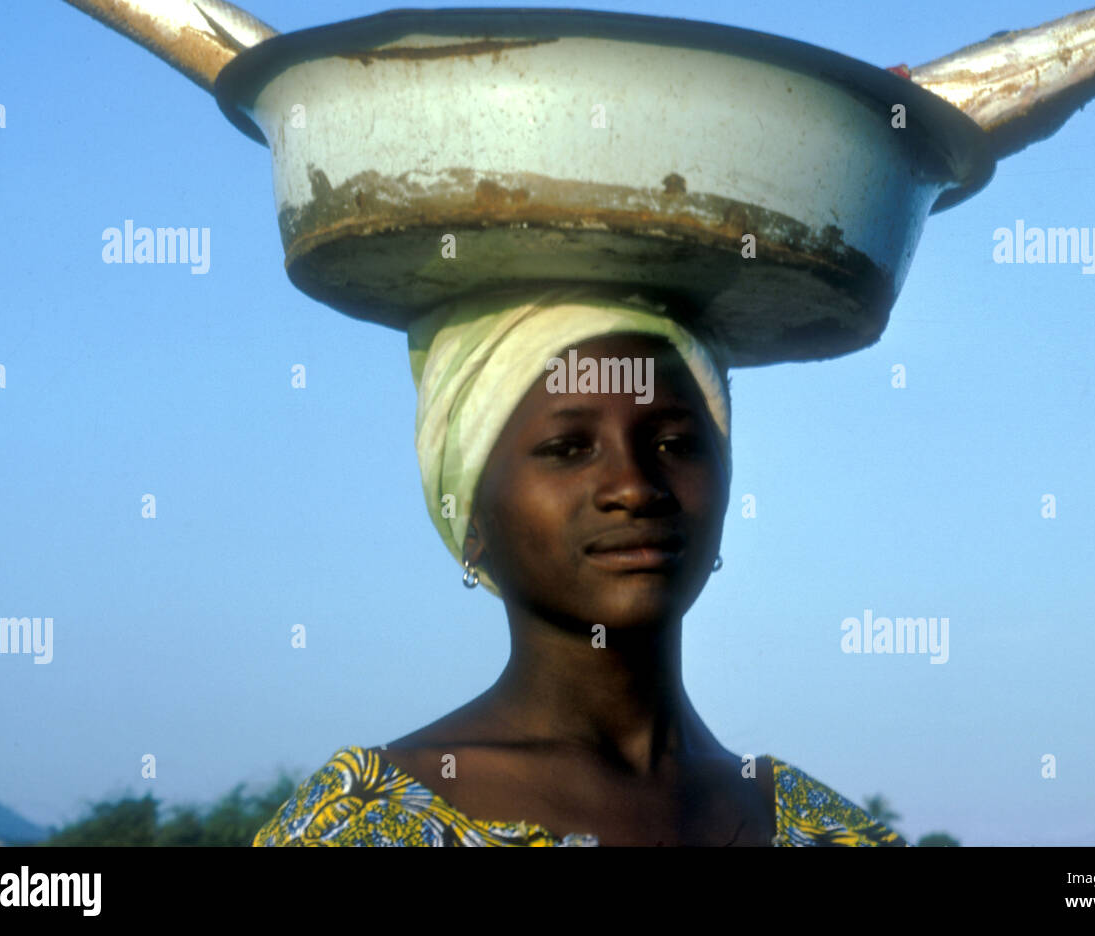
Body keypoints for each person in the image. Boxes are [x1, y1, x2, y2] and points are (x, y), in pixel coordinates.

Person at [252, 286, 908, 847]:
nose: (633, 485)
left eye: (675, 443)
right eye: (568, 447)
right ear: (469, 517)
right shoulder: (370, 823)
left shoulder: (827, 831)